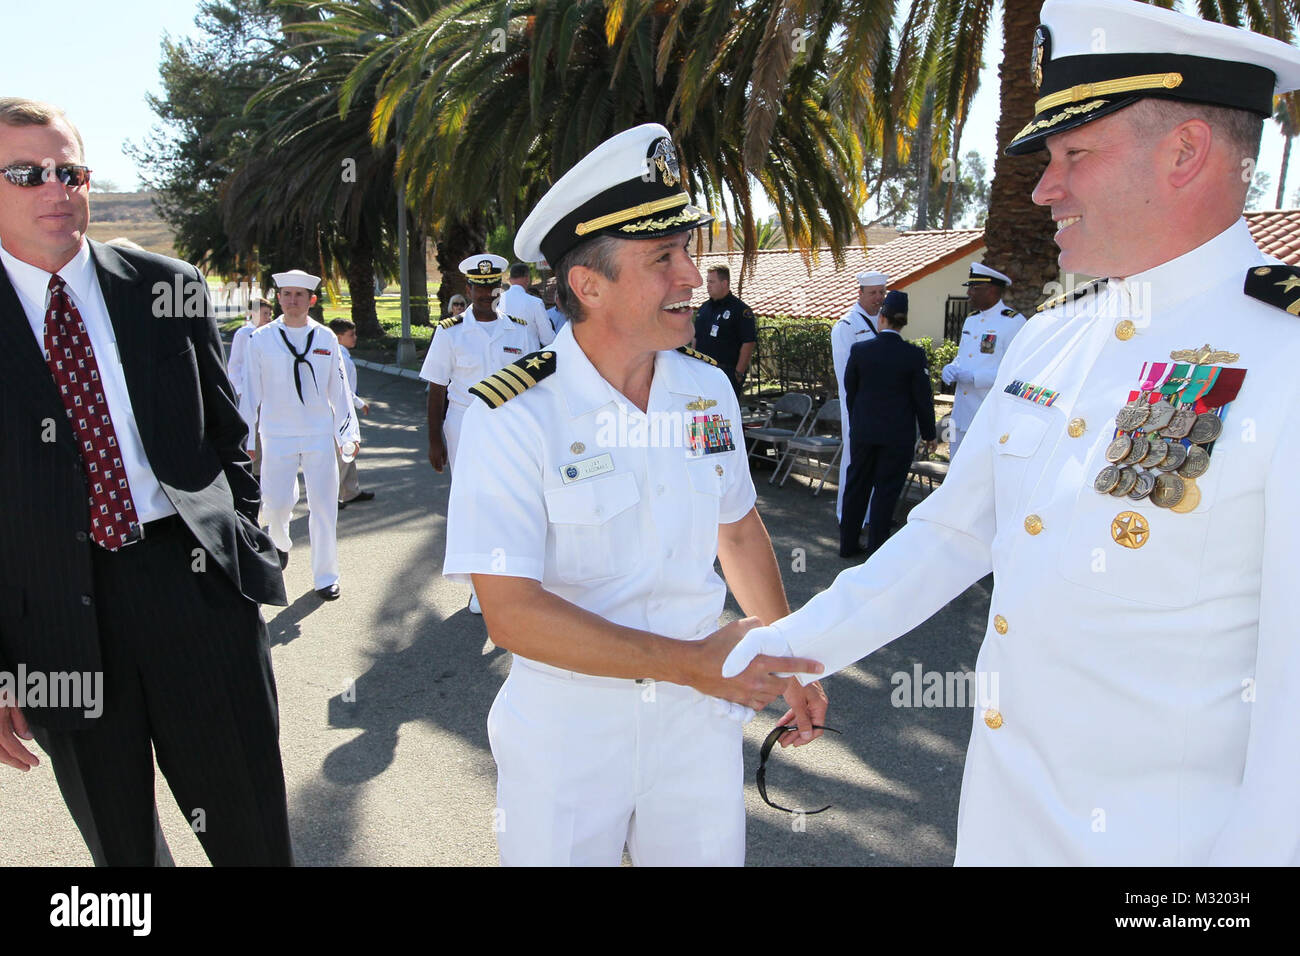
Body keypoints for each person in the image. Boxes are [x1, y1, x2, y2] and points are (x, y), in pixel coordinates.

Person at [723, 0, 1300, 866]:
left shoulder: (1284, 360)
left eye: (1074, 155)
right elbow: (955, 534)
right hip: (1005, 829)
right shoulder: (1055, 336)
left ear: (1186, 152)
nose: (1042, 188)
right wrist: (775, 649)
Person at [443, 123, 827, 866]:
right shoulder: (513, 415)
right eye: (664, 257)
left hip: (697, 725)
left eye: (687, 247)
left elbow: (739, 530)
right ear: (589, 285)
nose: (691, 273)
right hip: (568, 732)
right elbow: (513, 614)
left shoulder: (705, 388)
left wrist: (787, 655)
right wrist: (694, 661)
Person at [0, 98, 292, 865]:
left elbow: (229, 438)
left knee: (251, 834)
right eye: (27, 174)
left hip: (192, 588)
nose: (56, 189)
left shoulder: (166, 288)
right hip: (53, 626)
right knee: (121, 853)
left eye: (71, 170)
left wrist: (237, 550)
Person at [422, 253, 541, 614]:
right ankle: (479, 586)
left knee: (513, 501)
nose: (485, 293)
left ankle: (515, 576)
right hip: (463, 425)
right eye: (479, 287)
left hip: (511, 427)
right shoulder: (450, 332)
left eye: (492, 287)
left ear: (499, 288)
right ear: (469, 288)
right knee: (473, 502)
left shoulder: (519, 330)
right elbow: (437, 389)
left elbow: (534, 386)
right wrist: (434, 440)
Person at [241, 269, 359, 601]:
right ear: (278, 299)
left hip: (318, 434)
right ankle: (279, 540)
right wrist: (248, 440)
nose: (293, 301)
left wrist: (348, 432)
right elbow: (250, 394)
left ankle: (326, 576)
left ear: (312, 300)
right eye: (287, 294)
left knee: (324, 507)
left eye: (299, 295)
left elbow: (340, 389)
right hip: (276, 435)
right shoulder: (260, 339)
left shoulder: (325, 338)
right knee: (276, 503)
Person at [840, 291, 936, 559]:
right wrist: (929, 433)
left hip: (864, 431)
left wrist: (857, 419)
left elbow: (851, 390)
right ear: (903, 322)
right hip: (897, 436)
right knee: (886, 490)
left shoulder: (861, 351)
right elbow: (922, 399)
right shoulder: (913, 355)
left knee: (857, 485)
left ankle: (847, 544)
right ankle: (876, 550)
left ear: (881, 318)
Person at [941, 264, 1026, 459]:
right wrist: (952, 367)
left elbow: (1015, 372)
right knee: (956, 469)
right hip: (961, 412)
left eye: (974, 288)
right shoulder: (971, 320)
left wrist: (975, 377)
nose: (968, 292)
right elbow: (964, 356)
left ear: (992, 290)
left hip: (987, 412)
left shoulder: (1012, 322)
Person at [831, 270, 887, 523]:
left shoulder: (885, 322)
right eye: (873, 293)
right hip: (857, 405)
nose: (878, 298)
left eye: (881, 293)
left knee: (878, 461)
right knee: (854, 461)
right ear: (860, 293)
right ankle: (848, 515)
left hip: (883, 406)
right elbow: (846, 373)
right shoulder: (846, 326)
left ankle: (871, 515)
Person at [328, 318, 374, 509]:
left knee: (347, 454)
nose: (355, 338)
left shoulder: (342, 355)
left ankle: (349, 491)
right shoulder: (340, 358)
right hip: (338, 412)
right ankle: (333, 496)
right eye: (350, 335)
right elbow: (343, 389)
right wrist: (359, 403)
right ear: (338, 338)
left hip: (342, 410)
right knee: (341, 454)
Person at [691, 265, 757, 397]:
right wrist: (694, 364)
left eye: (712, 282)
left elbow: (748, 342)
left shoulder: (740, 310)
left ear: (724, 283)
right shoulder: (704, 308)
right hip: (703, 370)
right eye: (707, 281)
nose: (708, 286)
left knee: (725, 415)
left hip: (726, 371)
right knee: (705, 412)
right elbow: (695, 338)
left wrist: (739, 372)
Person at [228, 295, 274, 400]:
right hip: (249, 389)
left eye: (270, 314)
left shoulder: (271, 332)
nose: (268, 317)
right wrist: (240, 390)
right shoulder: (244, 333)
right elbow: (234, 365)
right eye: (265, 314)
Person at [500, 261, 555, 346]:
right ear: (527, 278)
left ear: (510, 280)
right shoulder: (536, 303)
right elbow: (548, 339)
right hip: (528, 356)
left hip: (502, 356)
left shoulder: (498, 301)